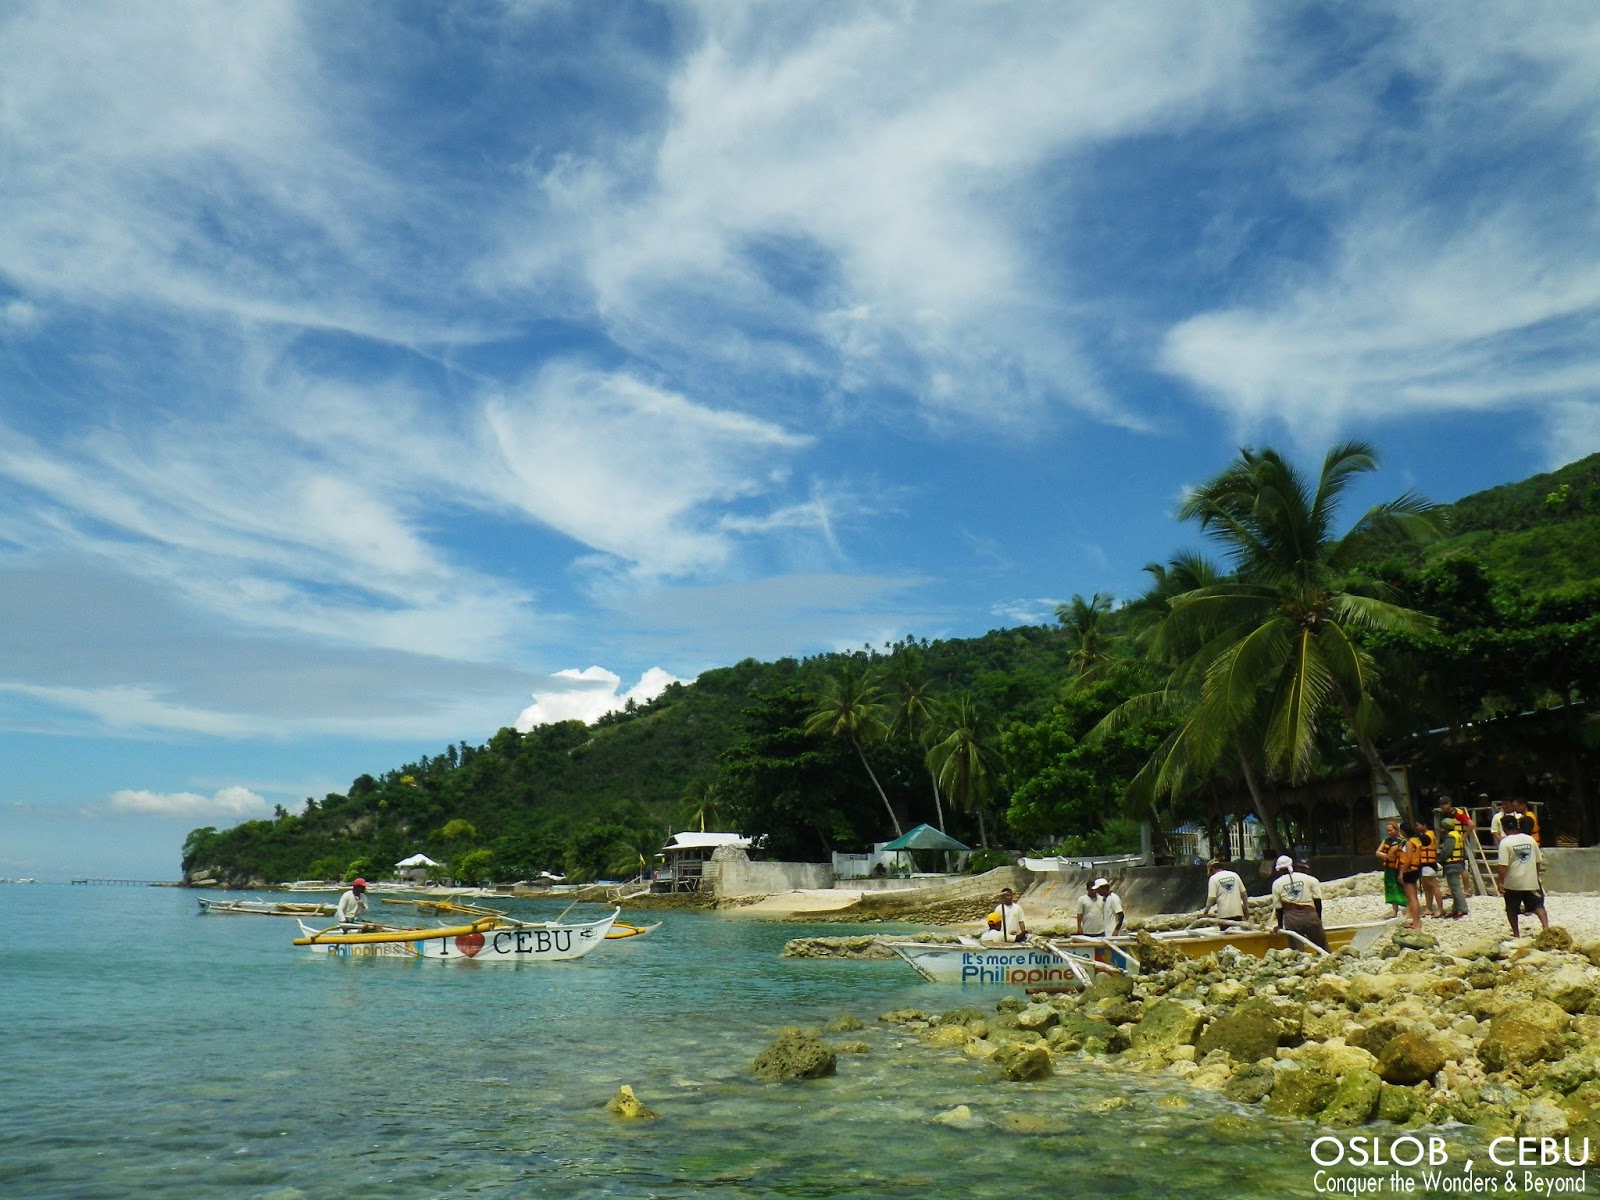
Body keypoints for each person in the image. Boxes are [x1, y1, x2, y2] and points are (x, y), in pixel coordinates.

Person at [1496, 814, 1549, 936]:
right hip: (1531, 881)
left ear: (1503, 828)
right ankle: (1546, 928)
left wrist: (1500, 881)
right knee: (1538, 905)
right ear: (1517, 825)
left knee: (1511, 909)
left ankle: (1516, 934)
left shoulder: (1505, 843)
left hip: (1513, 883)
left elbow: (1503, 865)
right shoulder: (1530, 839)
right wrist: (1535, 877)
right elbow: (1537, 861)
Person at [1270, 854, 1329, 952]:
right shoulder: (1310, 879)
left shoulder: (1277, 883)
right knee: (1321, 946)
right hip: (1310, 915)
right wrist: (1318, 919)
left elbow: (1278, 908)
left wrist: (1280, 925)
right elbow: (1317, 901)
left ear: (1279, 869)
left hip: (1291, 919)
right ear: (1292, 865)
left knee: (1296, 950)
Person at [1438, 816, 1470, 919]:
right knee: (1454, 887)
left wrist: (1440, 859)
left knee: (1455, 888)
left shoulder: (1450, 837)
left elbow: (1447, 851)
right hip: (1459, 862)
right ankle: (1456, 908)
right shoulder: (1458, 835)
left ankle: (1462, 908)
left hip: (1452, 864)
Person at [1396, 823, 1424, 930]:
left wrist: (1401, 872)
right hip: (1415, 870)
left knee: (1412, 898)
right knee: (1413, 897)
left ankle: (1416, 923)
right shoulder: (1416, 840)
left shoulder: (1408, 843)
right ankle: (1415, 921)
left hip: (1408, 871)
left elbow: (1408, 859)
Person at [1414, 821, 1445, 918]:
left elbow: (1421, 840)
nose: (1417, 828)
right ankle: (1429, 908)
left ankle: (1440, 908)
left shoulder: (1429, 835)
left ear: (1425, 825)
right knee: (1426, 888)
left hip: (1428, 864)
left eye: (1418, 825)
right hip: (1423, 865)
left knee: (1434, 886)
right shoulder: (1424, 835)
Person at [1378, 820, 1407, 919]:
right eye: (1387, 831)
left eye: (1390, 830)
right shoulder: (1386, 840)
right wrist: (1383, 855)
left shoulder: (1402, 841)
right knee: (1391, 887)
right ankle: (1394, 911)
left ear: (1396, 830)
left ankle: (1409, 907)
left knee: (1403, 886)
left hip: (1399, 868)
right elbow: (1378, 852)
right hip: (1389, 868)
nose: (1389, 832)